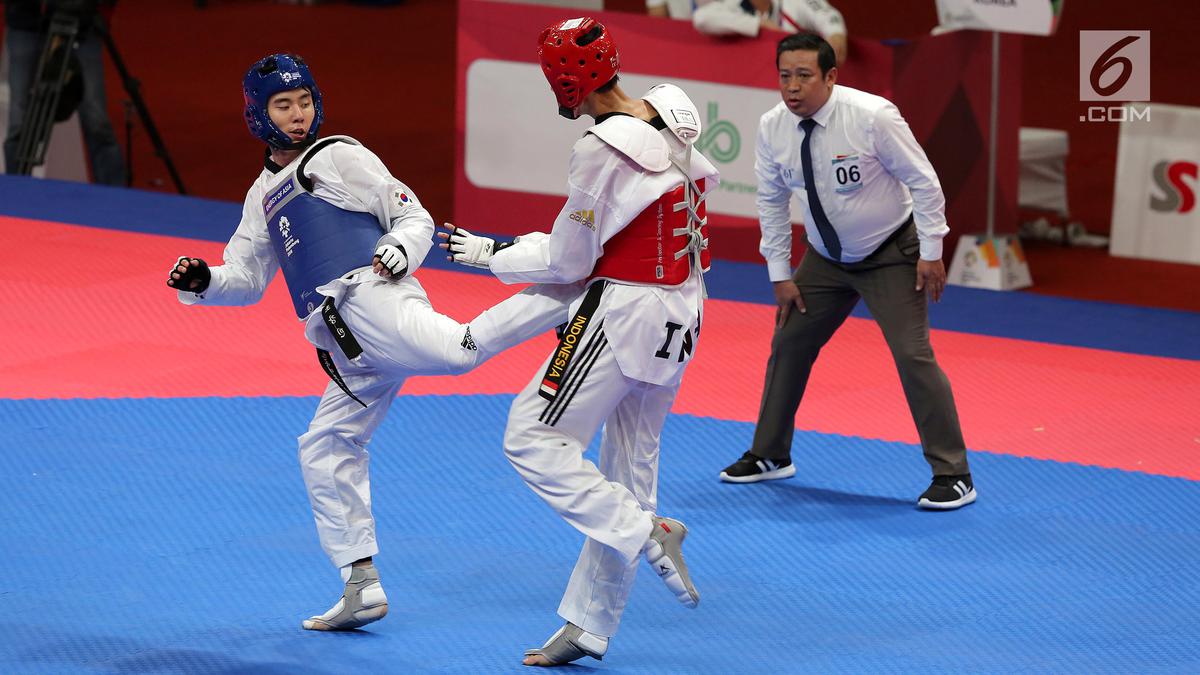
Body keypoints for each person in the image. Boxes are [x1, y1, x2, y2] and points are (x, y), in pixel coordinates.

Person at [167, 53, 574, 631]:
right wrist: (204, 281)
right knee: (325, 447)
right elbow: (246, 279)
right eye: (284, 106)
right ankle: (361, 584)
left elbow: (413, 217)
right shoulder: (261, 195)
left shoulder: (337, 156)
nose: (299, 114)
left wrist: (400, 251)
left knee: (459, 351)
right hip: (343, 348)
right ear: (258, 115)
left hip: (372, 299)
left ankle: (564, 296)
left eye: (305, 101)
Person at [439, 16, 720, 667]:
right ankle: (591, 625)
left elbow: (568, 261)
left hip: (626, 313)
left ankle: (644, 532)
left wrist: (491, 256)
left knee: (532, 436)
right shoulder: (674, 109)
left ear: (565, 83)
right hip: (685, 316)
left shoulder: (599, 148)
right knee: (629, 470)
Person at [717, 33, 975, 510]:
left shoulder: (872, 117)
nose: (792, 88)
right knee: (790, 342)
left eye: (804, 76)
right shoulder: (773, 127)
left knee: (912, 355)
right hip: (824, 260)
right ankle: (771, 454)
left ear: (831, 77)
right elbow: (771, 201)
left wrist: (932, 250)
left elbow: (923, 180)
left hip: (893, 253)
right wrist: (780, 272)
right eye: (784, 76)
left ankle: (953, 473)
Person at [3, 0, 125, 184]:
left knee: (96, 120)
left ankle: (114, 194)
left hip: (82, 24)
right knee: (19, 121)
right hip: (25, 22)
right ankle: (15, 192)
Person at [692, 0, 848, 66]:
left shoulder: (794, 3)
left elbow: (827, 15)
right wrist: (759, 25)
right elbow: (702, 18)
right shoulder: (733, 5)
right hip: (754, 84)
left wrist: (836, 34)